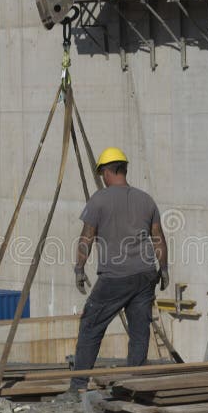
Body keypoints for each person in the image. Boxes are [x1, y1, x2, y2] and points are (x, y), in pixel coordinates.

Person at [65, 147, 169, 398]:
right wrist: (164, 268)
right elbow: (158, 239)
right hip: (145, 274)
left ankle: (78, 386)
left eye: (102, 173)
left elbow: (86, 238)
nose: (102, 178)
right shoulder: (146, 200)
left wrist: (79, 268)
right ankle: (135, 385)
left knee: (91, 325)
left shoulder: (99, 200)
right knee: (139, 330)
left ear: (107, 172)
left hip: (115, 277)